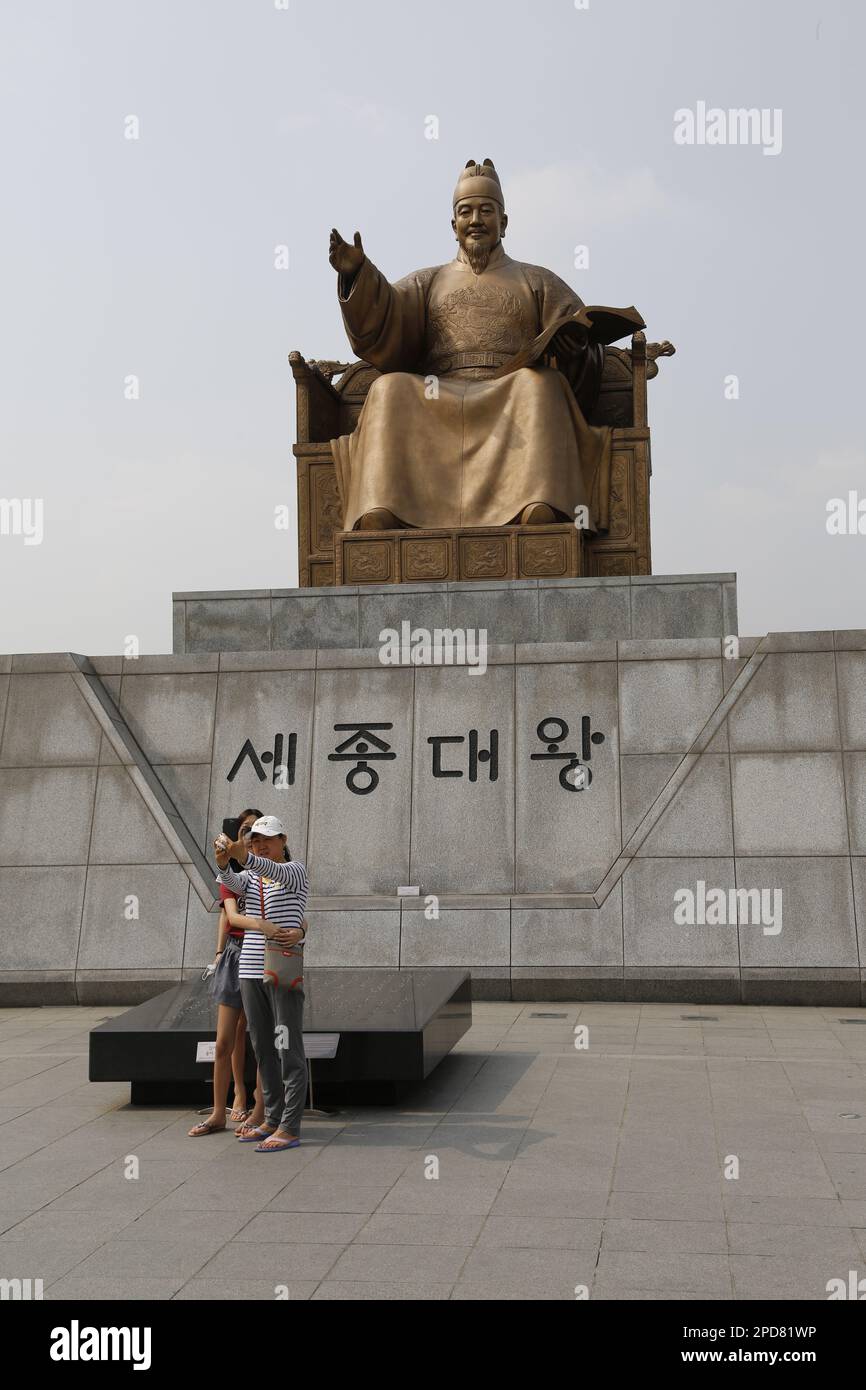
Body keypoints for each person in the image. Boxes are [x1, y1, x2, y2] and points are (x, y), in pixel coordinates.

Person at [214, 815, 309, 1152]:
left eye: (267, 839)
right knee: (263, 1048)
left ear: (283, 840)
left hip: (281, 971)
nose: (260, 845)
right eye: (255, 841)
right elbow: (232, 883)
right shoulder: (253, 876)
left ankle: (290, 1126)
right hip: (250, 970)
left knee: (288, 1048)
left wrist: (243, 854)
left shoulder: (294, 870)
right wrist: (226, 863)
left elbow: (273, 871)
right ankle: (271, 1117)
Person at [188, 808, 262, 1136]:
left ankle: (259, 1105)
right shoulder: (232, 873)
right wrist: (219, 953)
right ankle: (228, 1104)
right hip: (236, 953)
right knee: (224, 1040)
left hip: (263, 952)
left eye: (255, 830)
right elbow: (228, 915)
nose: (248, 835)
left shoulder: (270, 868)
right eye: (244, 829)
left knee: (260, 1036)